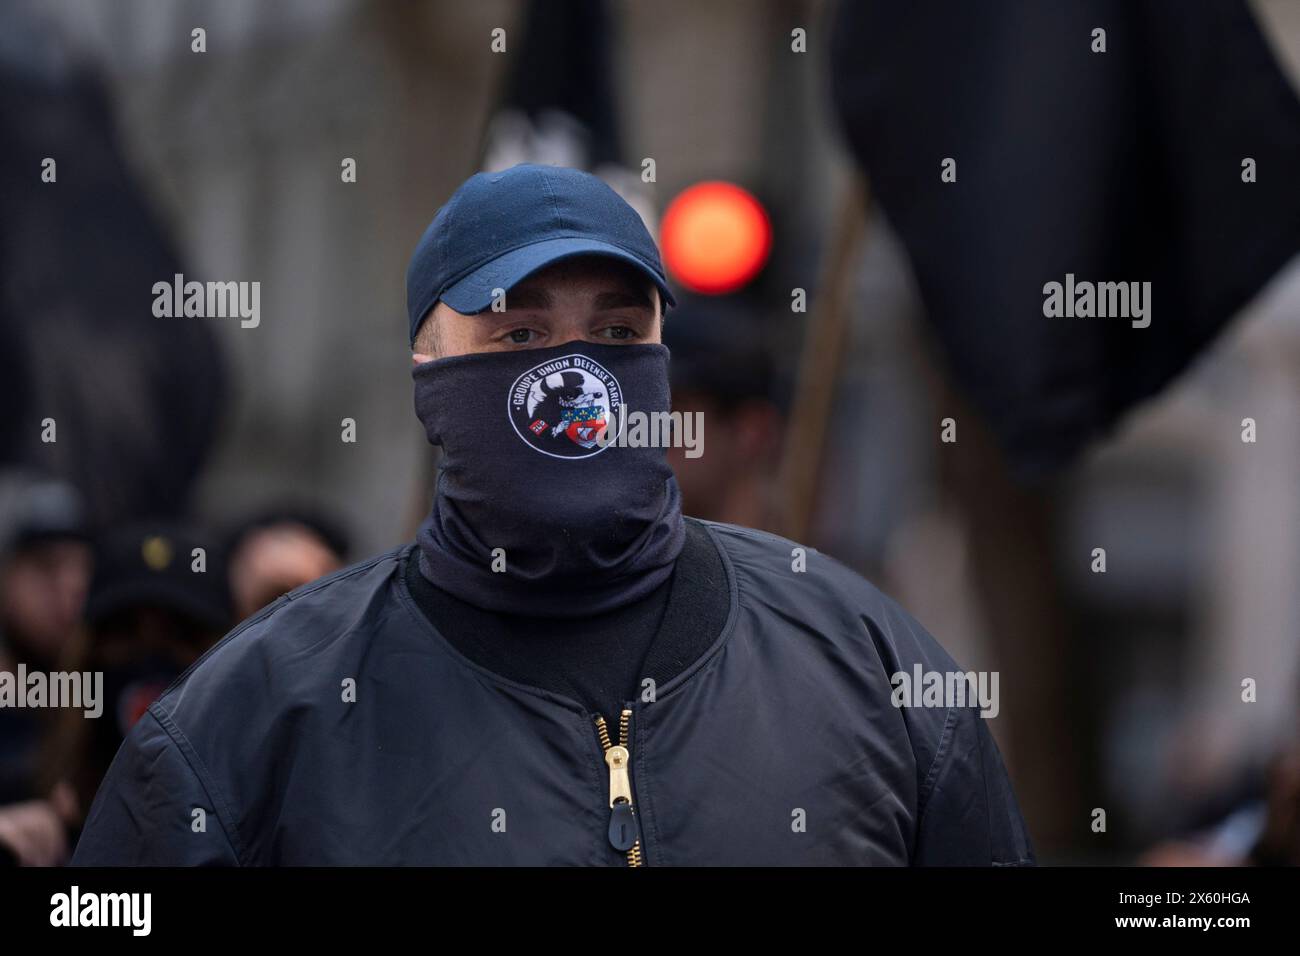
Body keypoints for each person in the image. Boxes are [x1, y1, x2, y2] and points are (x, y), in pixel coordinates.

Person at [71, 164, 1033, 865]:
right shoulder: (257, 716)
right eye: (519, 331)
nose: (575, 373)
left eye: (617, 333)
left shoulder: (871, 671)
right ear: (429, 372)